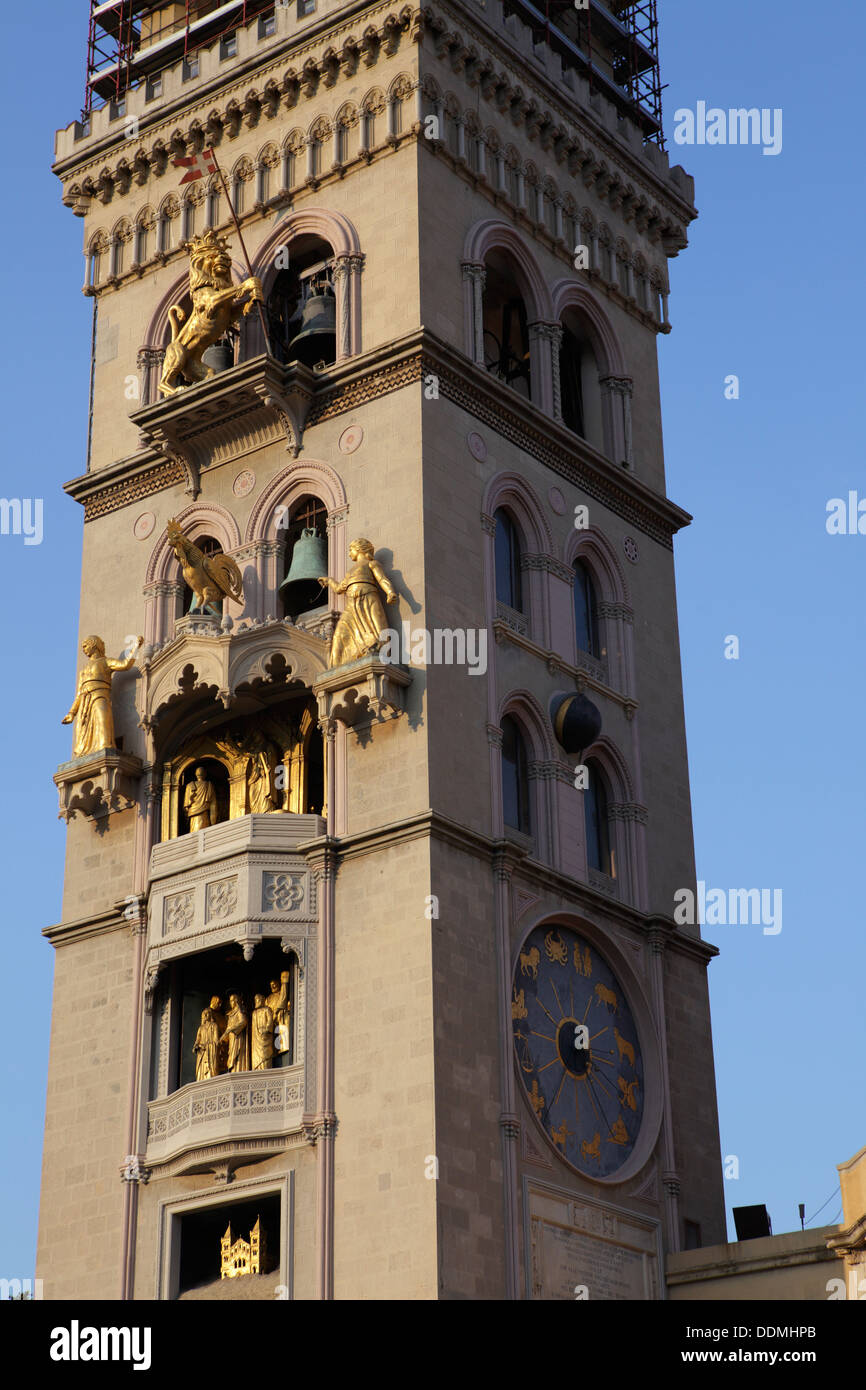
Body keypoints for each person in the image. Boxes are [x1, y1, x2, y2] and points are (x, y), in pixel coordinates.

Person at [319, 538, 397, 667]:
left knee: (376, 626)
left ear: (359, 549)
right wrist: (330, 581)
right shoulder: (350, 571)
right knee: (339, 634)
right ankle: (338, 664)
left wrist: (390, 592)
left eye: (351, 550)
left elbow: (382, 579)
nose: (349, 554)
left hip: (368, 599)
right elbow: (339, 589)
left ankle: (379, 649)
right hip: (351, 604)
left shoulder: (372, 564)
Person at [61, 635, 142, 757]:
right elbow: (79, 694)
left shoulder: (105, 661)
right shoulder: (83, 670)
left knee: (103, 721)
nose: (84, 649)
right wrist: (72, 713)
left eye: (86, 645)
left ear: (94, 645)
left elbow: (125, 665)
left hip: (100, 696)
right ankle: (87, 753)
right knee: (84, 731)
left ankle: (104, 748)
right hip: (85, 701)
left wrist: (135, 647)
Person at [184, 765, 218, 831]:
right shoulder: (208, 785)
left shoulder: (190, 786)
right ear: (205, 774)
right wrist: (213, 822)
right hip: (203, 814)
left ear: (196, 774)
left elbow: (186, 806)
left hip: (195, 813)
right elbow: (213, 805)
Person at [266, 971, 292, 1056]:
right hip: (272, 1020)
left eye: (274, 984)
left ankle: (283, 1047)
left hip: (280, 1017)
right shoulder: (269, 998)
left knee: (282, 1032)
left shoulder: (281, 993)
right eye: (271, 985)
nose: (273, 986)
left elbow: (283, 1002)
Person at [193, 1007, 222, 1081]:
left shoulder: (214, 1026)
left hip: (210, 1053)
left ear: (211, 1015)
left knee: (211, 1072)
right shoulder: (201, 1028)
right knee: (201, 1074)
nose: (205, 1015)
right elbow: (197, 1041)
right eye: (204, 1014)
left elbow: (216, 1041)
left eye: (207, 1013)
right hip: (201, 1054)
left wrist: (207, 1046)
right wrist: (196, 1047)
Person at [251, 995, 275, 1070]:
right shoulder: (254, 1013)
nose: (257, 1001)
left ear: (262, 1000)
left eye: (258, 999)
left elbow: (270, 1021)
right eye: (255, 1000)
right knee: (257, 1058)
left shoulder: (267, 1010)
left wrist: (267, 1030)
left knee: (265, 1056)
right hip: (256, 1039)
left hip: (265, 1037)